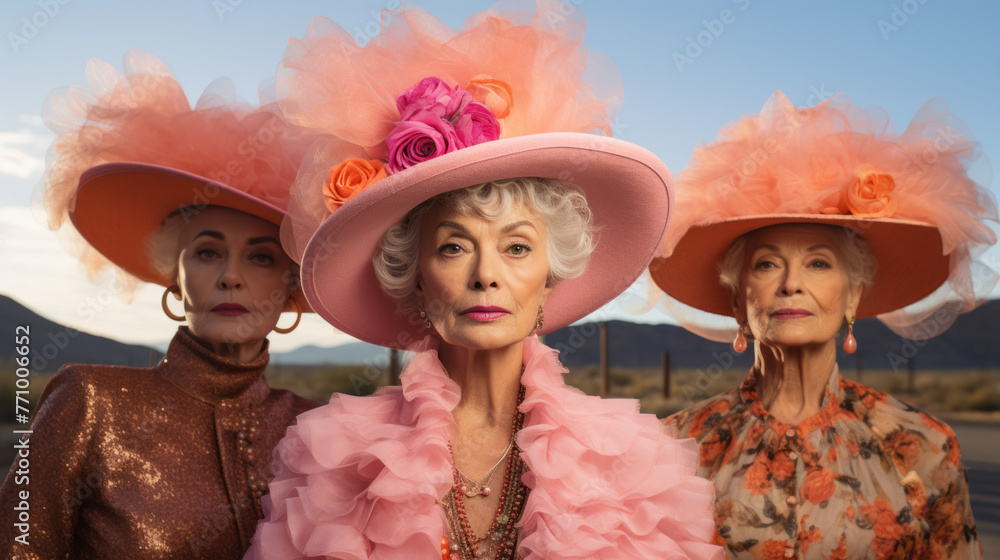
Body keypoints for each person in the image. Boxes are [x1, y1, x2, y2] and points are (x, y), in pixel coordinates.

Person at [245, 2, 723, 559]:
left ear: (551, 275)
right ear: (415, 278)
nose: (486, 276)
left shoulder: (636, 460)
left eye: (517, 247)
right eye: (453, 247)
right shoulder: (338, 454)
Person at [0, 50, 322, 559]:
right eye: (209, 252)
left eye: (261, 257)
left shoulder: (320, 429)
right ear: (175, 278)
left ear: (289, 287)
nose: (231, 277)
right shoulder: (90, 402)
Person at [651, 91, 996, 559]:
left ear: (852, 294)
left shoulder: (925, 445)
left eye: (818, 263)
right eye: (768, 265)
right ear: (737, 299)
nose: (792, 284)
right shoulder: (675, 448)